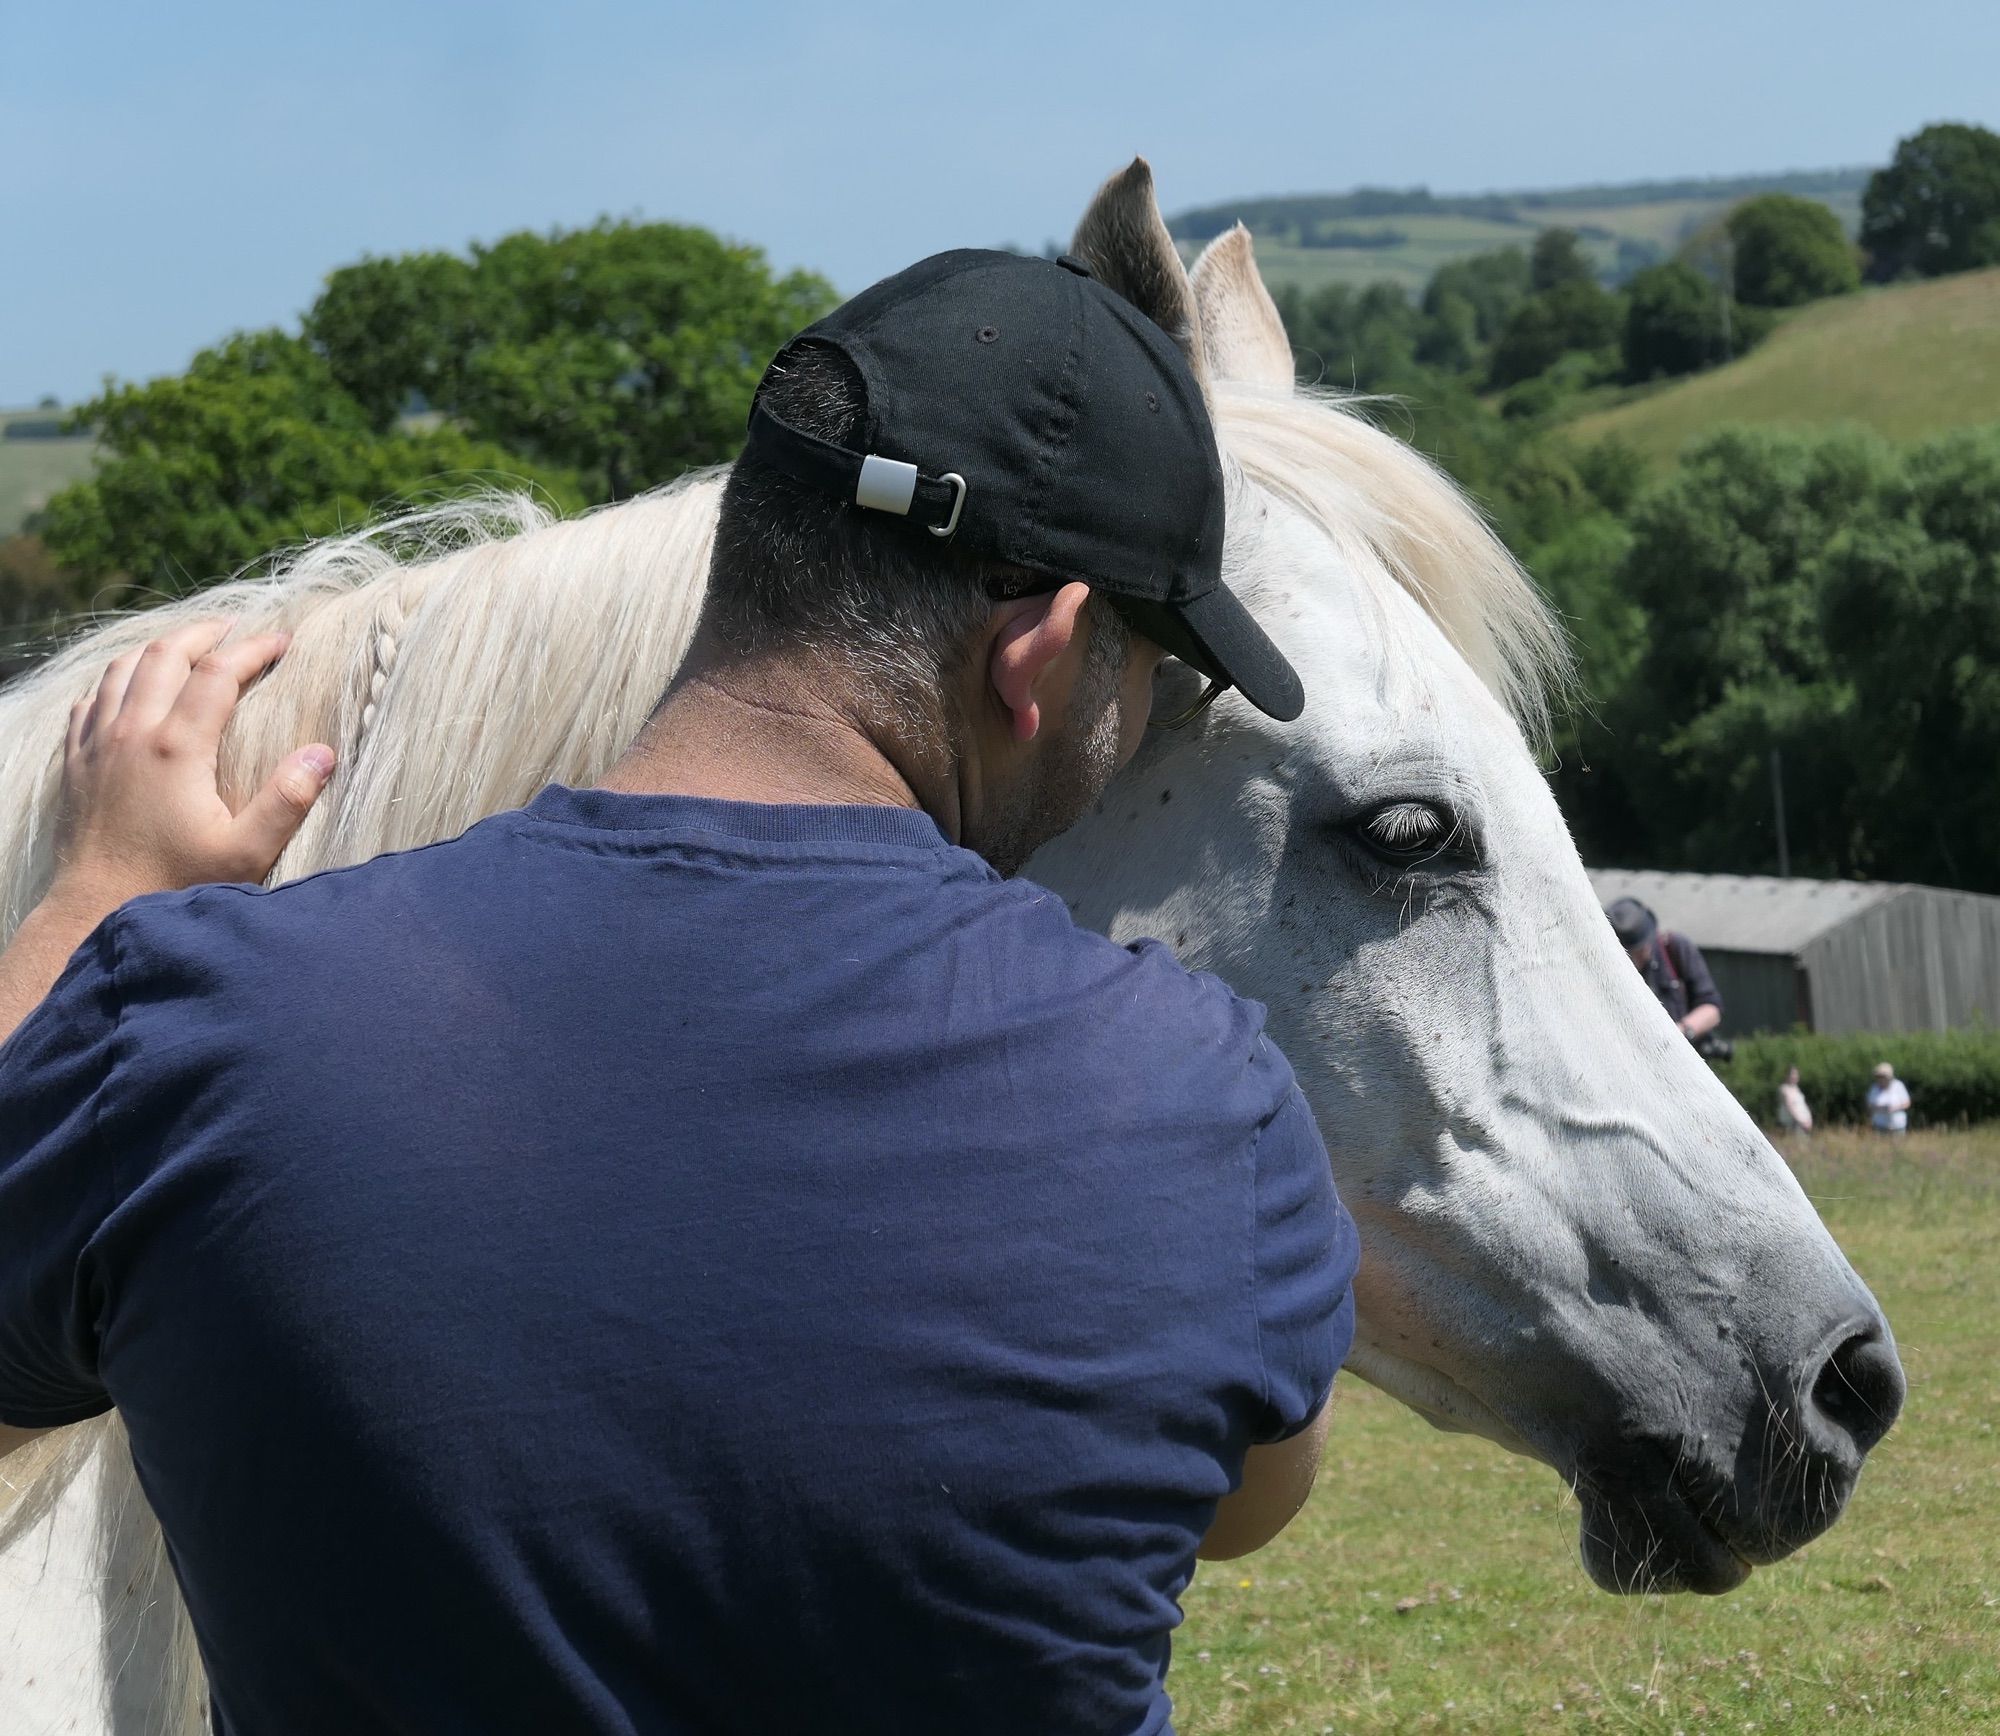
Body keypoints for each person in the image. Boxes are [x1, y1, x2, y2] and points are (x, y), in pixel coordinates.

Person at [0, 252, 1358, 1735]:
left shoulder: (198, 1035)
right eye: (1155, 666)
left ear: (749, 549)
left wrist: (91, 890)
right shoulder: (1201, 1106)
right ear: (1034, 650)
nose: (1144, 714)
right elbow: (1243, 1503)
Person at [1605, 896, 1728, 1055]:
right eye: (1631, 952)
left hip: (1684, 1059)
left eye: (1643, 946)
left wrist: (1678, 1033)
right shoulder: (1609, 972)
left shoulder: (1675, 948)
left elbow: (1712, 1009)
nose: (1640, 955)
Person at [1867, 1061, 1911, 1134]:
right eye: (1878, 1076)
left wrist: (1894, 1108)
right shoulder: (1874, 1088)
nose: (1880, 1079)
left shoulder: (1898, 1085)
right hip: (1879, 1125)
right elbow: (1870, 1105)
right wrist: (1880, 1108)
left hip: (1897, 1125)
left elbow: (1907, 1103)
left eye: (1882, 1076)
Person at [1776, 1064, 1814, 1134]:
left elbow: (1803, 1106)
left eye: (1796, 1074)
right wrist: (1801, 1122)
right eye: (1792, 1074)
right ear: (1787, 1076)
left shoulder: (1797, 1090)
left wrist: (1809, 1120)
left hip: (1804, 1123)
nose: (1794, 1076)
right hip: (1793, 1124)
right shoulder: (1785, 1089)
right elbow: (1790, 1108)